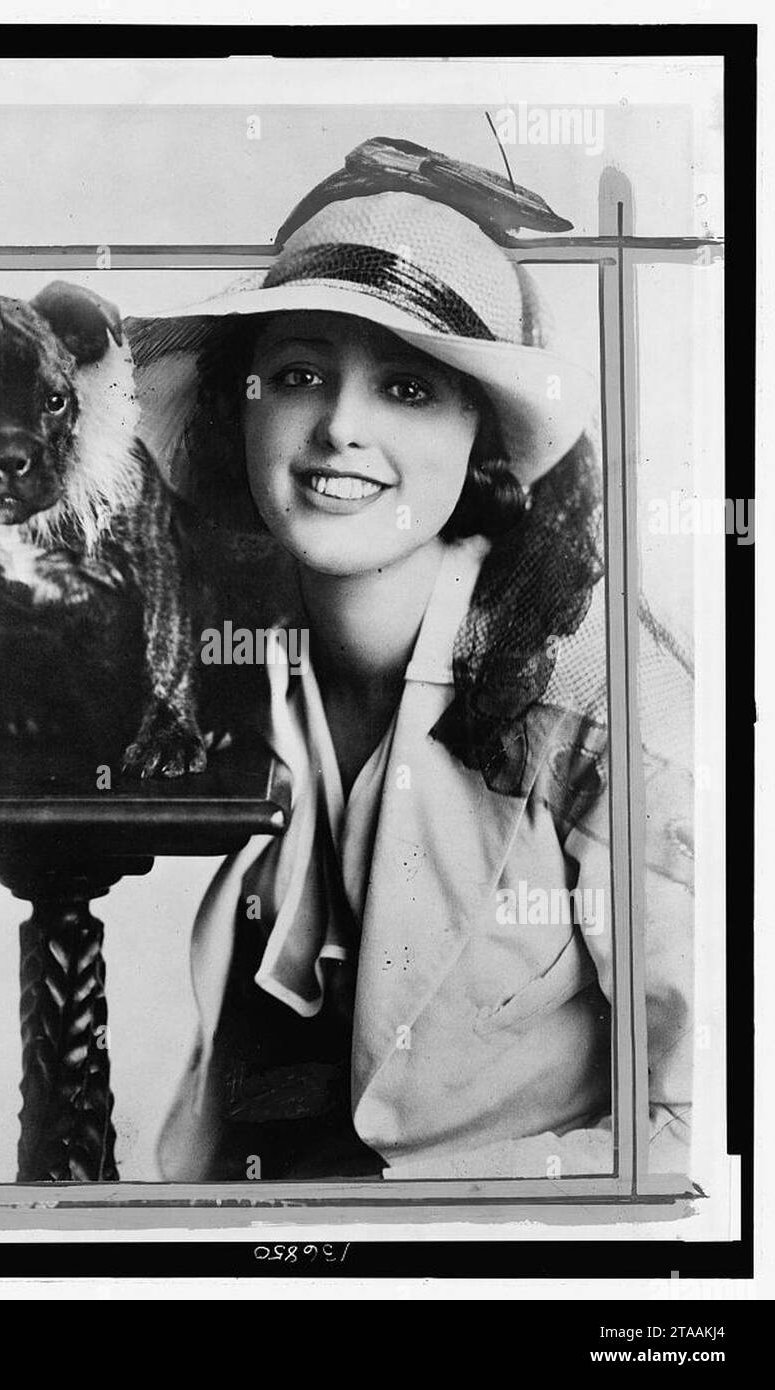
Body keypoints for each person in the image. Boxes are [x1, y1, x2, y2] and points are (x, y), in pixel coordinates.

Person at [128, 138, 694, 1183]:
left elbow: (713, 1131)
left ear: (480, 435)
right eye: (298, 374)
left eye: (406, 388)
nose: (340, 426)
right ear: (239, 404)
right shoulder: (215, 660)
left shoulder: (600, 696)